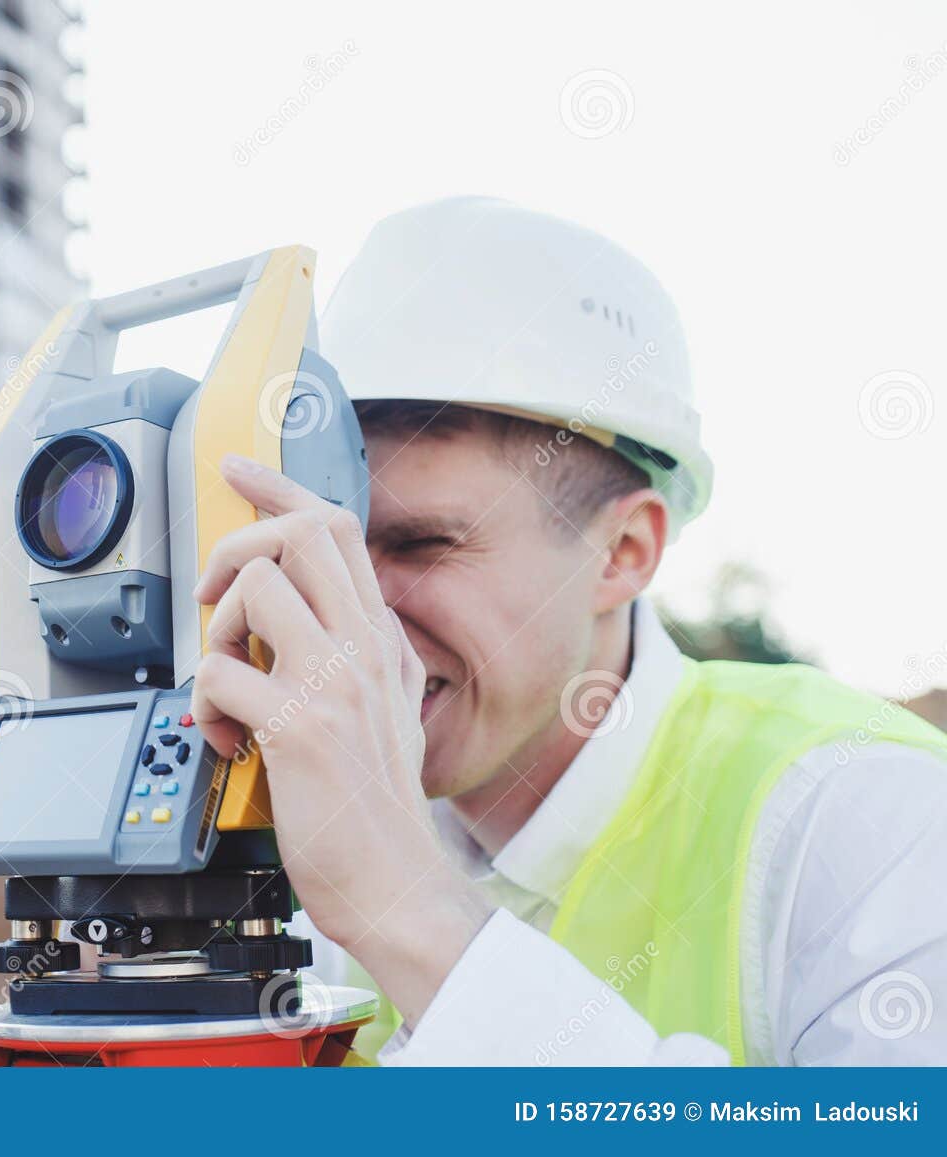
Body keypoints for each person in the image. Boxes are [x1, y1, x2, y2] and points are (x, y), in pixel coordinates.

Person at [189, 196, 947, 1065]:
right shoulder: (300, 851)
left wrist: (408, 910)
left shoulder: (872, 821)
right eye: (329, 548)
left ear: (623, 551)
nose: (358, 614)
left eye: (423, 545)